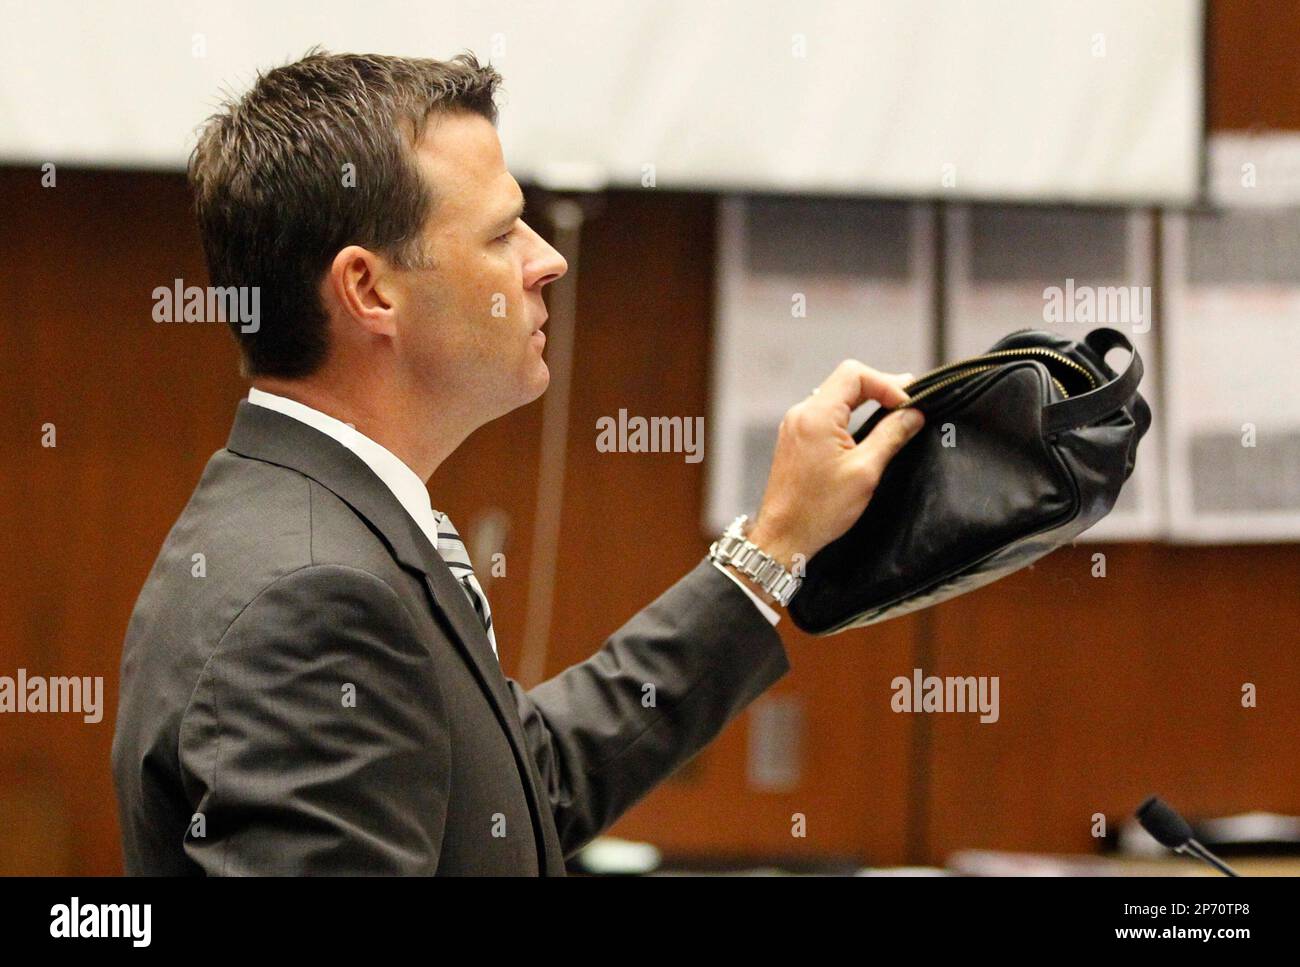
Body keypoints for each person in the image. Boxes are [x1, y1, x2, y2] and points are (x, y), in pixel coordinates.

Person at [110, 49, 924, 875]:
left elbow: (528, 787)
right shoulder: (313, 596)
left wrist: (774, 546)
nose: (549, 260)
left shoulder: (318, 527)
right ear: (369, 291)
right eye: (502, 233)